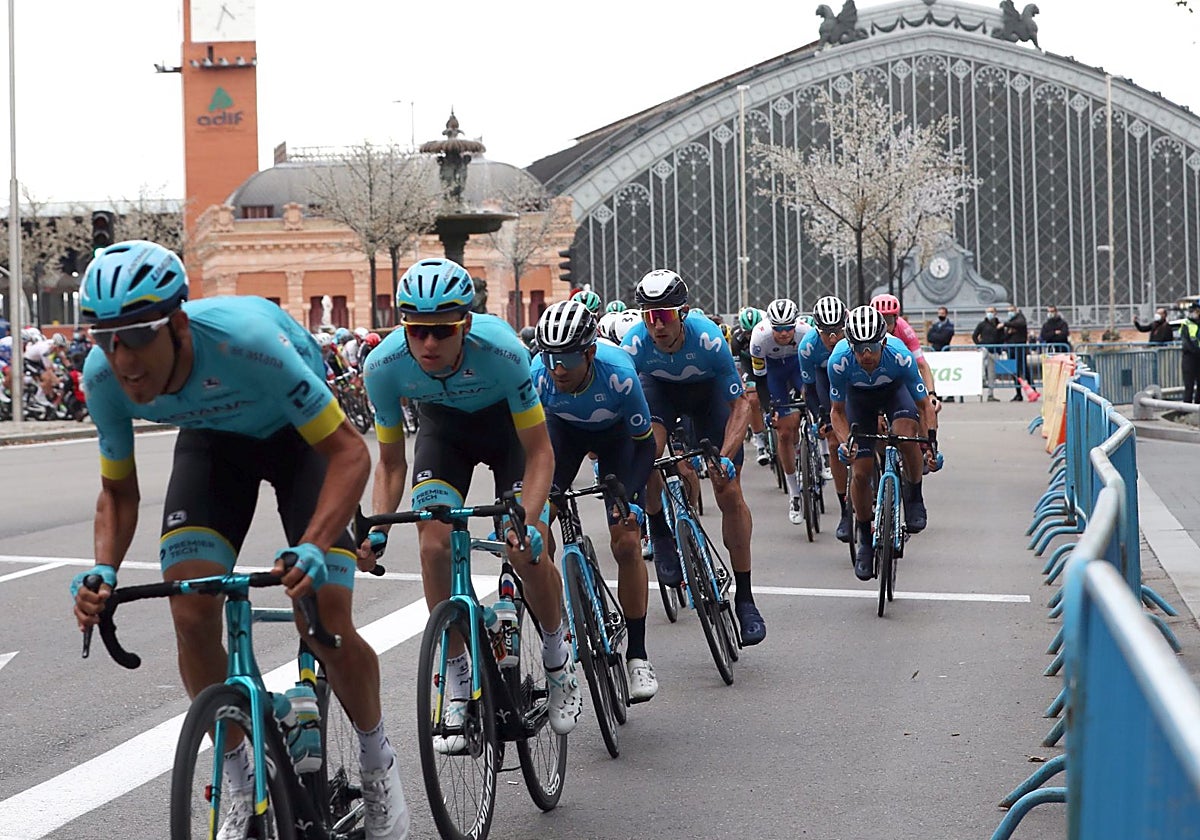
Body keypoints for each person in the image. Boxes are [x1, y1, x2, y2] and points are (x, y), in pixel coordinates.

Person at [69, 240, 409, 840]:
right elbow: (118, 493)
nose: (121, 358)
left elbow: (350, 453)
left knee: (324, 614)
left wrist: (313, 543)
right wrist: (104, 570)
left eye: (137, 334)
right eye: (103, 337)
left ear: (177, 322)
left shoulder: (244, 341)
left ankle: (378, 762)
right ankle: (236, 771)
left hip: (300, 438)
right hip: (212, 443)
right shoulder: (104, 376)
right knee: (191, 608)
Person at [361, 257, 583, 747]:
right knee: (433, 545)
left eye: (442, 330)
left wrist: (527, 519)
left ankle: (557, 656)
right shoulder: (382, 365)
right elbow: (392, 464)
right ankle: (458, 675)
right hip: (445, 436)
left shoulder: (502, 351)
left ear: (465, 324)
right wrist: (376, 530)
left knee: (528, 549)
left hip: (510, 434)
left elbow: (541, 452)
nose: (429, 344)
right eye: (417, 331)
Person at [621, 269, 766, 645]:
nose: (657, 326)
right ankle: (661, 529)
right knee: (646, 451)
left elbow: (741, 407)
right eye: (649, 317)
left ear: (682, 313)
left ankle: (746, 599)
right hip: (660, 395)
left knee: (728, 491)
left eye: (665, 316)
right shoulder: (634, 345)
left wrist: (726, 458)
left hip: (706, 400)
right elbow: (625, 409)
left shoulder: (708, 339)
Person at [530, 299, 660, 701]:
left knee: (625, 540)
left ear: (589, 352)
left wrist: (632, 500)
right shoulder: (539, 376)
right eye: (551, 357)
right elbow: (530, 446)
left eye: (568, 357)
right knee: (533, 530)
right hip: (564, 436)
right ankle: (559, 623)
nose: (558, 368)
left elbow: (645, 447)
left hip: (618, 441)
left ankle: (637, 655)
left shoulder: (619, 373)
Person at [828, 306, 937, 581]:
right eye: (860, 348)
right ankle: (865, 537)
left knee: (906, 436)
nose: (866, 354)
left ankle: (914, 497)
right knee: (861, 471)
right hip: (859, 403)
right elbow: (837, 412)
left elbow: (924, 405)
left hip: (894, 394)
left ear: (883, 342)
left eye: (873, 347)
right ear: (850, 344)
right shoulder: (839, 360)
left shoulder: (899, 355)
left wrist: (931, 444)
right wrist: (846, 443)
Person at [750, 298, 812, 525]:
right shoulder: (759, 338)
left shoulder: (806, 331)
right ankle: (795, 493)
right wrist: (770, 408)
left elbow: (814, 372)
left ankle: (822, 455)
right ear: (770, 325)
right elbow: (760, 380)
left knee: (813, 401)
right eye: (779, 329)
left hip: (798, 366)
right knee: (784, 433)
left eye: (788, 328)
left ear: (796, 324)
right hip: (773, 372)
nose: (784, 333)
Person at [798, 296, 853, 542]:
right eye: (826, 332)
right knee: (833, 441)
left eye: (838, 331)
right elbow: (809, 390)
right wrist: (821, 417)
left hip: (854, 375)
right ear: (817, 330)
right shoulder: (808, 347)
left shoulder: (856, 337)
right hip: (824, 378)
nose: (832, 338)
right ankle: (844, 509)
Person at [729, 307, 771, 466]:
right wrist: (743, 385)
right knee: (752, 399)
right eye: (748, 333)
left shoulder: (767, 332)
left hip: (766, 361)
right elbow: (738, 368)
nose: (752, 336)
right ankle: (760, 441)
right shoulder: (736, 339)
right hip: (749, 365)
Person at [972, 306, 1004, 401]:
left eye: (991, 312)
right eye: (988, 312)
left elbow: (1002, 338)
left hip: (994, 350)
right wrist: (979, 345)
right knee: (982, 365)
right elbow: (974, 336)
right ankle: (982, 379)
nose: (989, 313)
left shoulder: (999, 325)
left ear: (995, 313)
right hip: (984, 348)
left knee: (992, 373)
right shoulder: (982, 324)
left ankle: (990, 394)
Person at [1003, 305, 1029, 401]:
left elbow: (1020, 324)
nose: (1009, 312)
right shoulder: (1010, 322)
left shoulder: (1020, 318)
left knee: (1024, 370)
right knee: (1015, 372)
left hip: (1020, 348)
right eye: (1008, 311)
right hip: (1011, 349)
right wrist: (1009, 332)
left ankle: (1032, 390)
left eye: (1011, 310)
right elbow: (1005, 337)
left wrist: (1007, 325)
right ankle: (1018, 393)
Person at [1183, 304, 1200, 403]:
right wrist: (1196, 351)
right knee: (1189, 385)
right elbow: (1186, 344)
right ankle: (1186, 409)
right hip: (1189, 358)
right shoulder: (1186, 324)